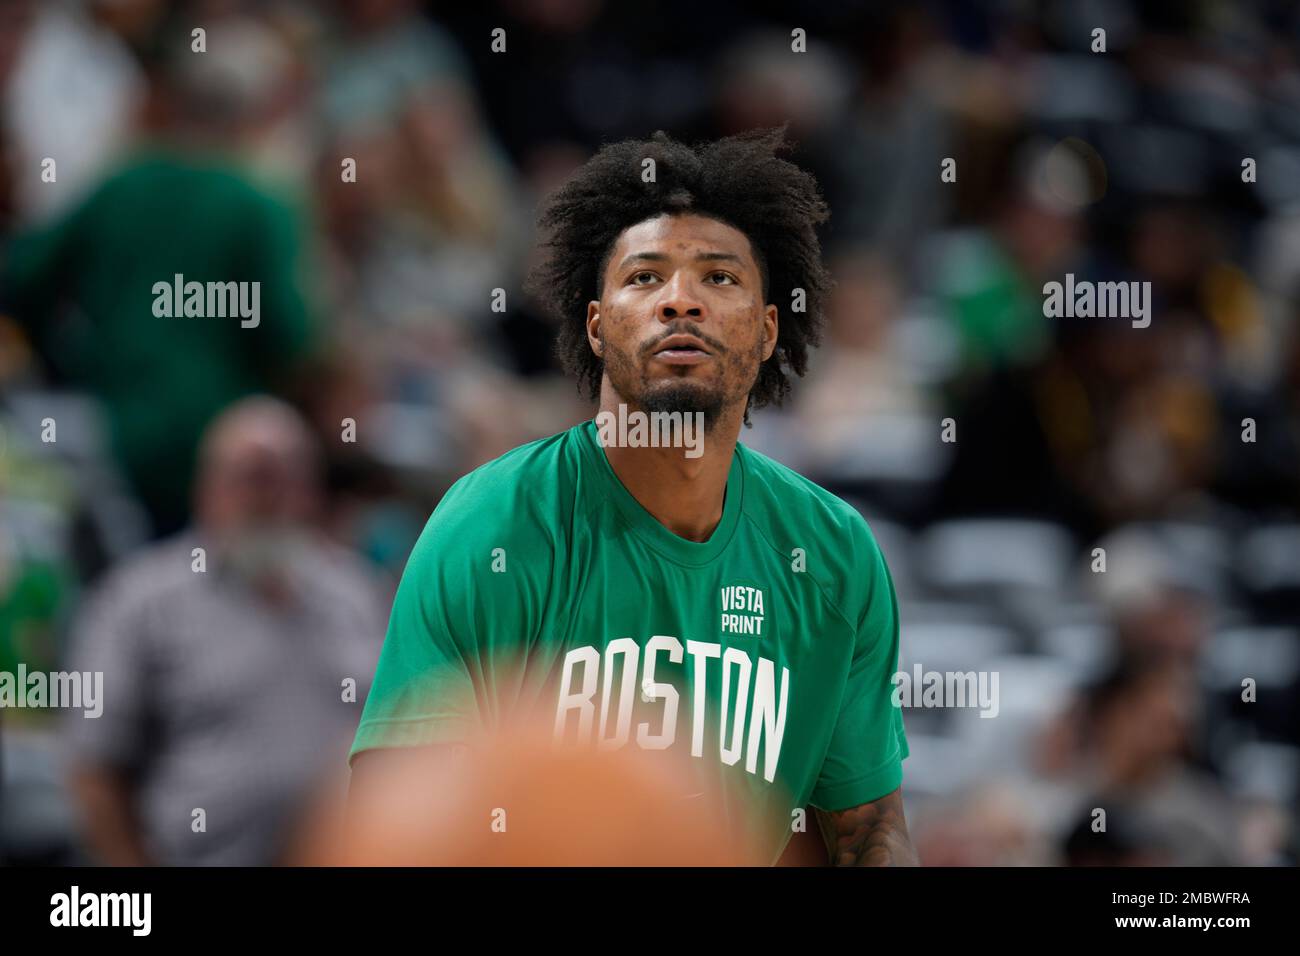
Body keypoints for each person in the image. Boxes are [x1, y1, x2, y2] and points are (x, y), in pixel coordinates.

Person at [349, 128, 916, 866]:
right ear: (594, 326)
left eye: (719, 278)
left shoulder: (832, 555)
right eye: (645, 278)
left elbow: (867, 830)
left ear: (769, 329)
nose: (681, 301)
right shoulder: (491, 528)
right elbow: (395, 821)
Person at [64, 397, 384, 865]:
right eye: (251, 477)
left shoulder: (357, 595)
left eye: (285, 478)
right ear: (206, 488)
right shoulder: (140, 602)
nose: (267, 497)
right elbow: (94, 769)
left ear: (311, 492)